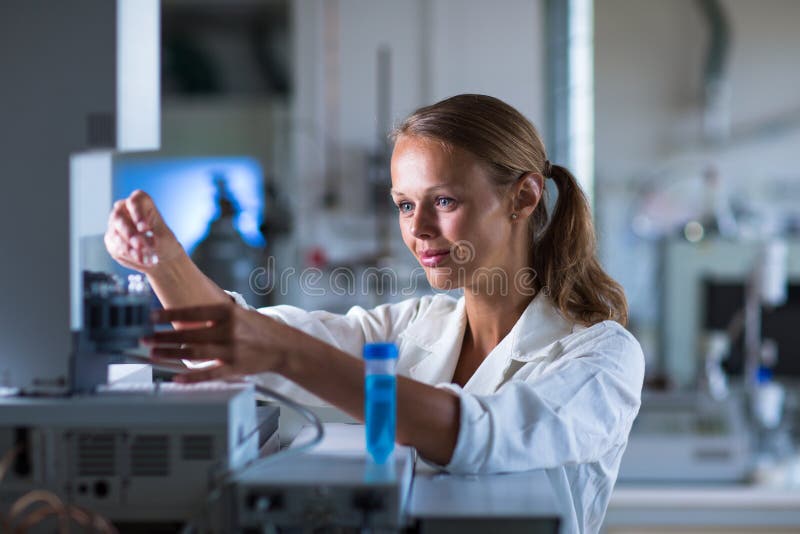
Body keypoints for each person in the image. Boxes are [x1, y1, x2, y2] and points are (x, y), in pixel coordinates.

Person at [105, 94, 644, 533]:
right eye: (406, 205)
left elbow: (480, 435)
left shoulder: (601, 355)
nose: (418, 229)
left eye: (445, 201)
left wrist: (283, 351)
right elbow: (251, 343)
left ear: (523, 197)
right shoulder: (417, 326)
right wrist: (164, 262)